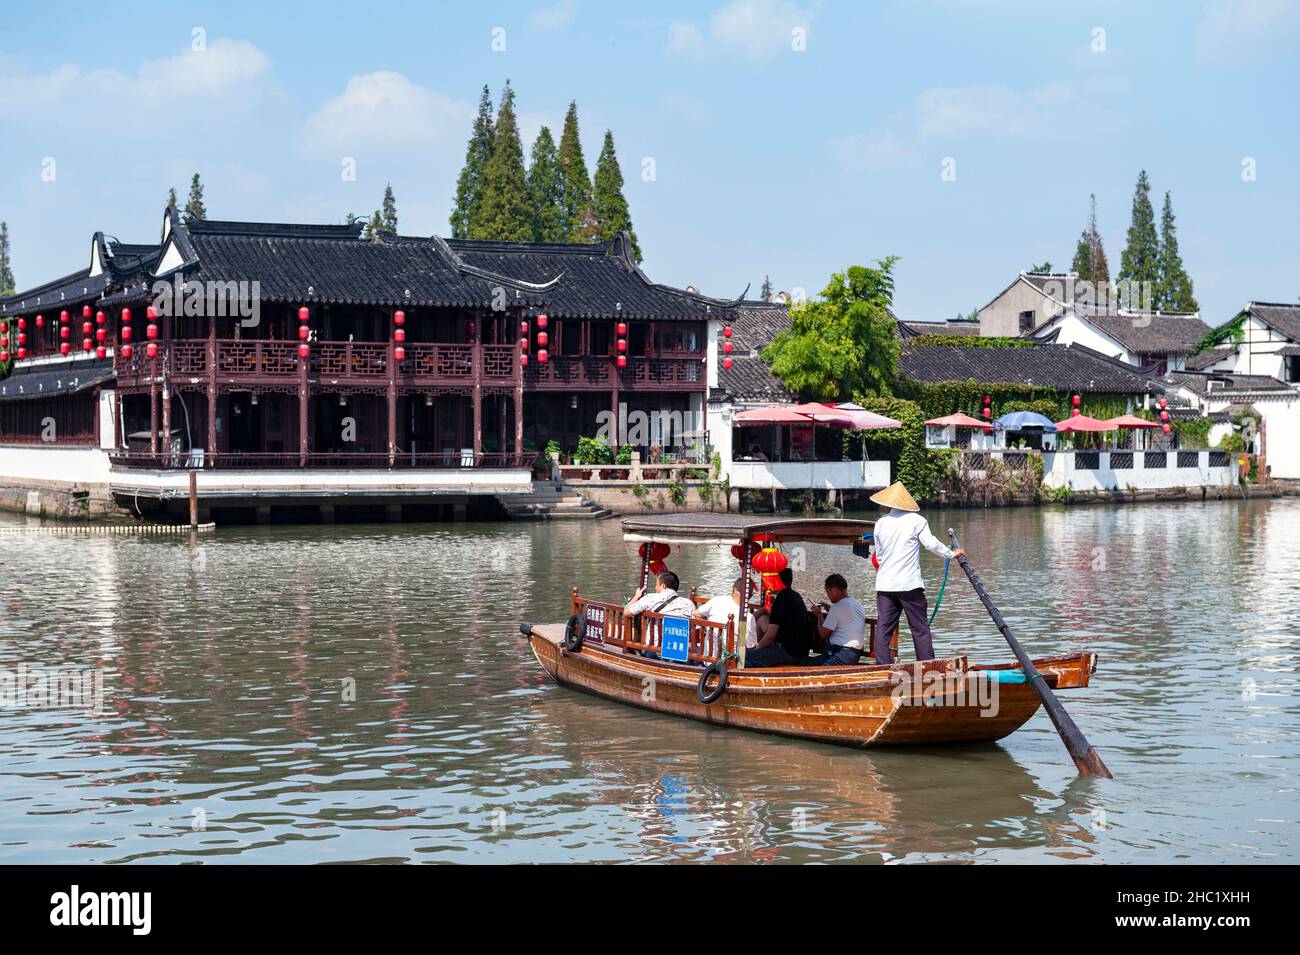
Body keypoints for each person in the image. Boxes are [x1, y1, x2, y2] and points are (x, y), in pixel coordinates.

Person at [868, 481, 964, 665]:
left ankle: (882, 665)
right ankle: (927, 666)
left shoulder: (880, 524)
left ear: (890, 504)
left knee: (884, 628)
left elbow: (879, 555)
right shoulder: (917, 521)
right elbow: (930, 544)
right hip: (909, 584)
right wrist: (951, 554)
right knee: (919, 628)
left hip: (885, 584)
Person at [744, 568, 812, 667]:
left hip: (787, 652)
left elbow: (770, 637)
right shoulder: (796, 596)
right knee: (762, 620)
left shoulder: (780, 601)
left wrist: (756, 649)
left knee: (745, 657)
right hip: (801, 650)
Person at [809, 573, 867, 666]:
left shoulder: (837, 607)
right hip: (854, 654)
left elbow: (823, 633)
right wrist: (830, 610)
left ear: (834, 590)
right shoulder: (857, 604)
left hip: (841, 654)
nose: (828, 595)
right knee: (807, 663)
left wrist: (819, 614)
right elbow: (844, 618)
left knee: (810, 669)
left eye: (827, 591)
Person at [696, 577, 757, 654]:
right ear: (750, 596)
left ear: (732, 590)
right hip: (731, 663)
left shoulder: (716, 600)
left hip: (707, 658)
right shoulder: (747, 617)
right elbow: (750, 646)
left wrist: (708, 628)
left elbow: (696, 614)